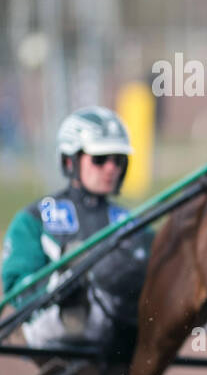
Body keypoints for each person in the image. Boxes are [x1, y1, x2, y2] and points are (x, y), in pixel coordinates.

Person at [1, 107, 151, 354]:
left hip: (123, 324)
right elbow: (17, 287)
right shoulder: (35, 219)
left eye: (118, 159)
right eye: (100, 159)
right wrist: (61, 285)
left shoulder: (131, 221)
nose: (111, 168)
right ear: (70, 161)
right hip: (58, 324)